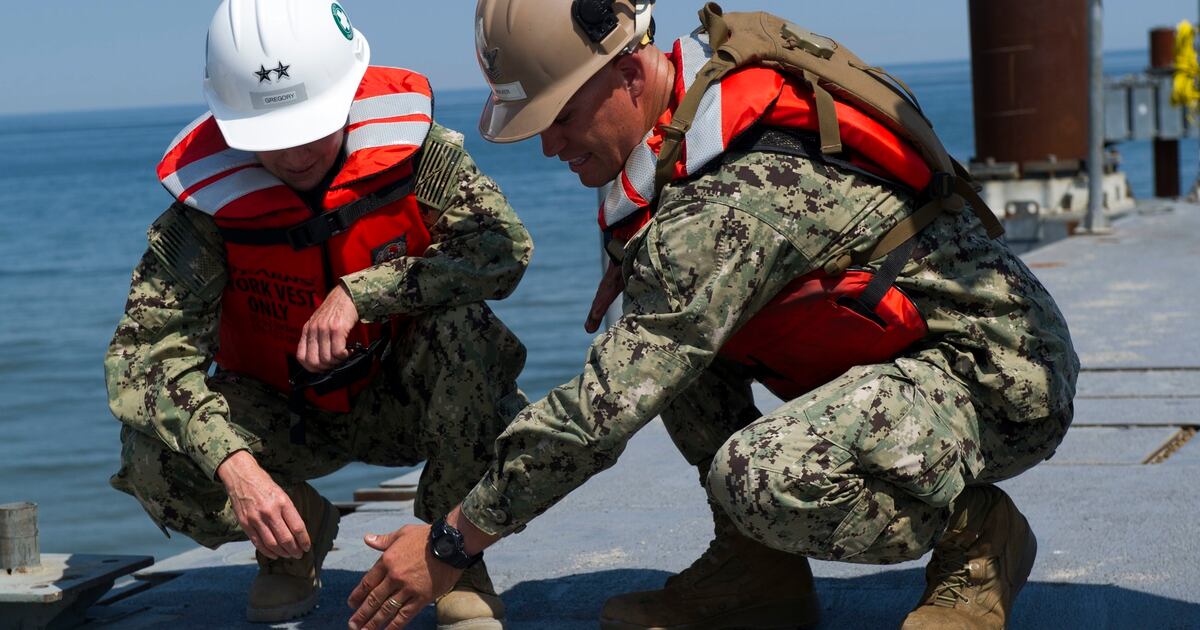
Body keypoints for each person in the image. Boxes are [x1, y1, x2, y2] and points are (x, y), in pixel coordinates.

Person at [346, 2, 1078, 629]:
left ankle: (978, 539)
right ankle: (760, 572)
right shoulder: (692, 110)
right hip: (887, 351)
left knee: (759, 473)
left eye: (561, 116)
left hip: (994, 375)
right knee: (663, 339)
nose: (548, 145)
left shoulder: (728, 198)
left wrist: (452, 542)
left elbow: (600, 413)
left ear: (629, 78)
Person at [104, 1, 531, 626]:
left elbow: (503, 248)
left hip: (406, 397)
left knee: (466, 332)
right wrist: (235, 466)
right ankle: (292, 536)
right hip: (281, 415)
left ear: (352, 92)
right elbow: (140, 358)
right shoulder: (204, 214)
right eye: (272, 137)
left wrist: (366, 291)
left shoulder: (419, 157)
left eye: (313, 125)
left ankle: (454, 555)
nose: (297, 152)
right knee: (152, 454)